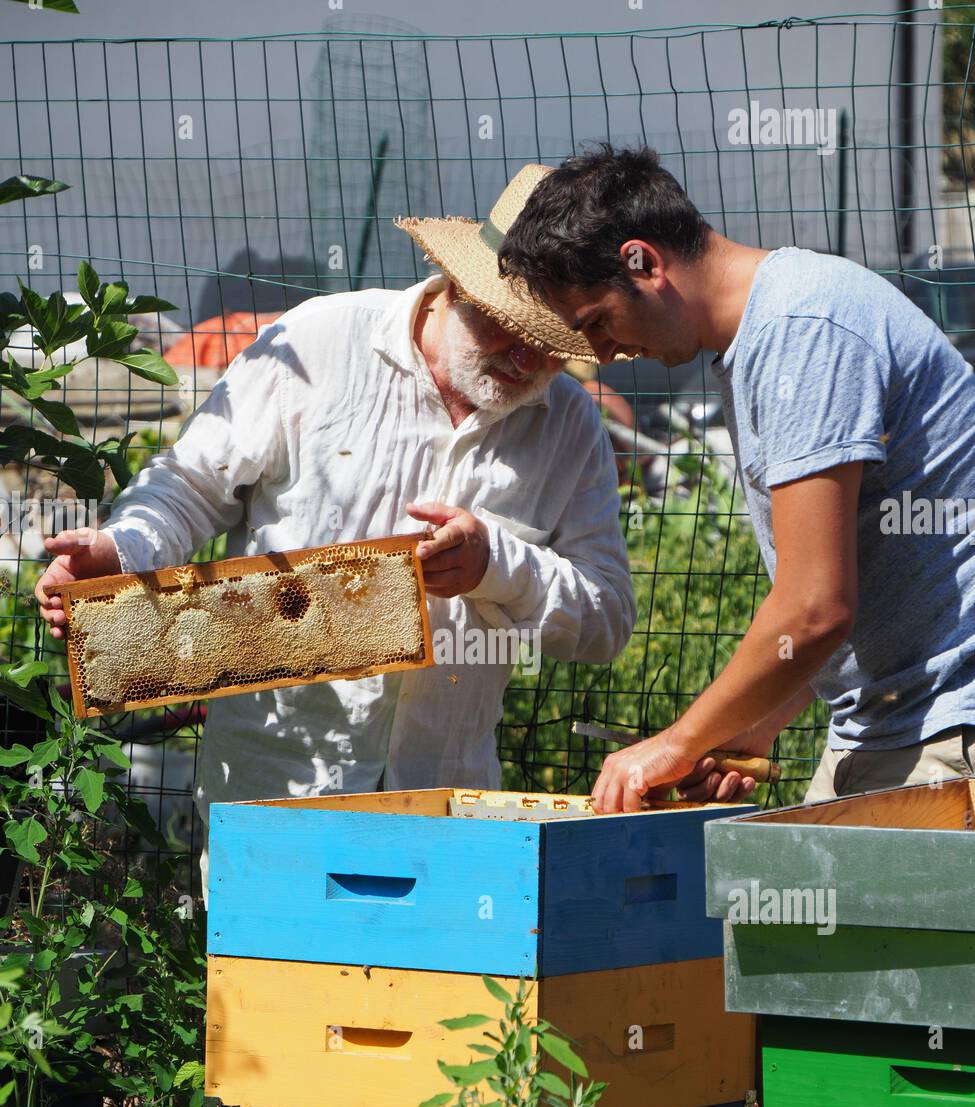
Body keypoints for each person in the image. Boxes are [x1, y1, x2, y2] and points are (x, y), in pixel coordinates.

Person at [36, 165, 635, 882]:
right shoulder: (319, 343)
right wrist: (120, 547)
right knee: (267, 989)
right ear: (455, 284)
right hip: (275, 792)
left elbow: (607, 620)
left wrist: (499, 568)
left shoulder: (571, 428)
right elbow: (192, 485)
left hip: (445, 801)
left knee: (435, 994)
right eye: (505, 326)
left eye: (550, 339)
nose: (526, 356)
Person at [497, 143, 975, 813]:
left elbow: (813, 608)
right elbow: (854, 584)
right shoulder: (764, 335)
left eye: (597, 322)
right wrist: (746, 726)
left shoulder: (802, 330)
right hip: (894, 724)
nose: (602, 352)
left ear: (644, 262)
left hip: (945, 733)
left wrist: (676, 741)